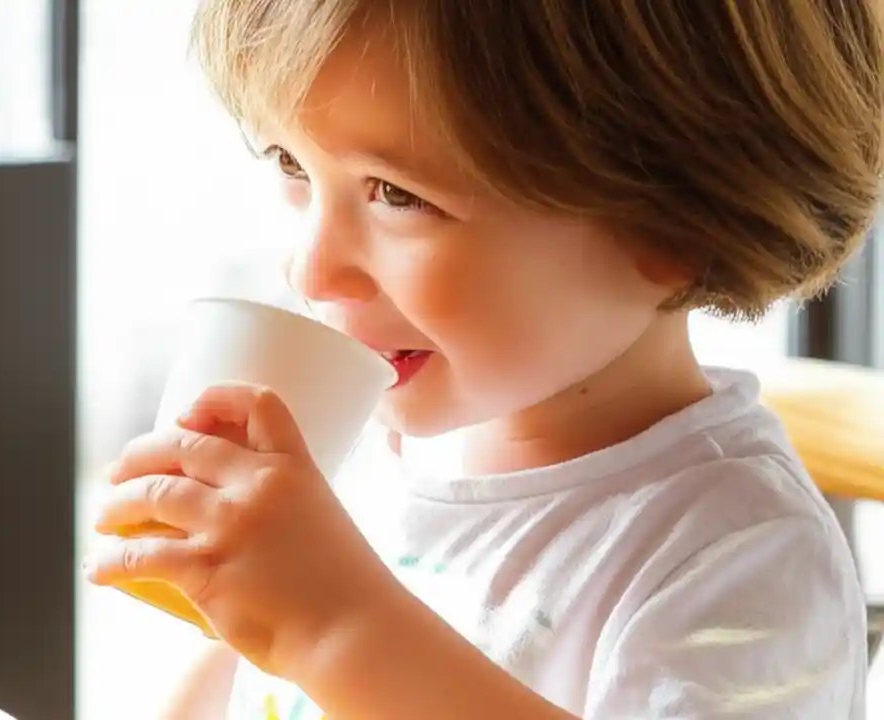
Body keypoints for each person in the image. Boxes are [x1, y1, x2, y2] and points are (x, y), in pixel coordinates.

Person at [85, 1, 883, 717]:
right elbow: (247, 678)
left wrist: (336, 628)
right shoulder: (364, 450)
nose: (312, 270)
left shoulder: (739, 559)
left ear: (674, 223)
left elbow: (320, 636)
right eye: (293, 165)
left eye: (396, 196)